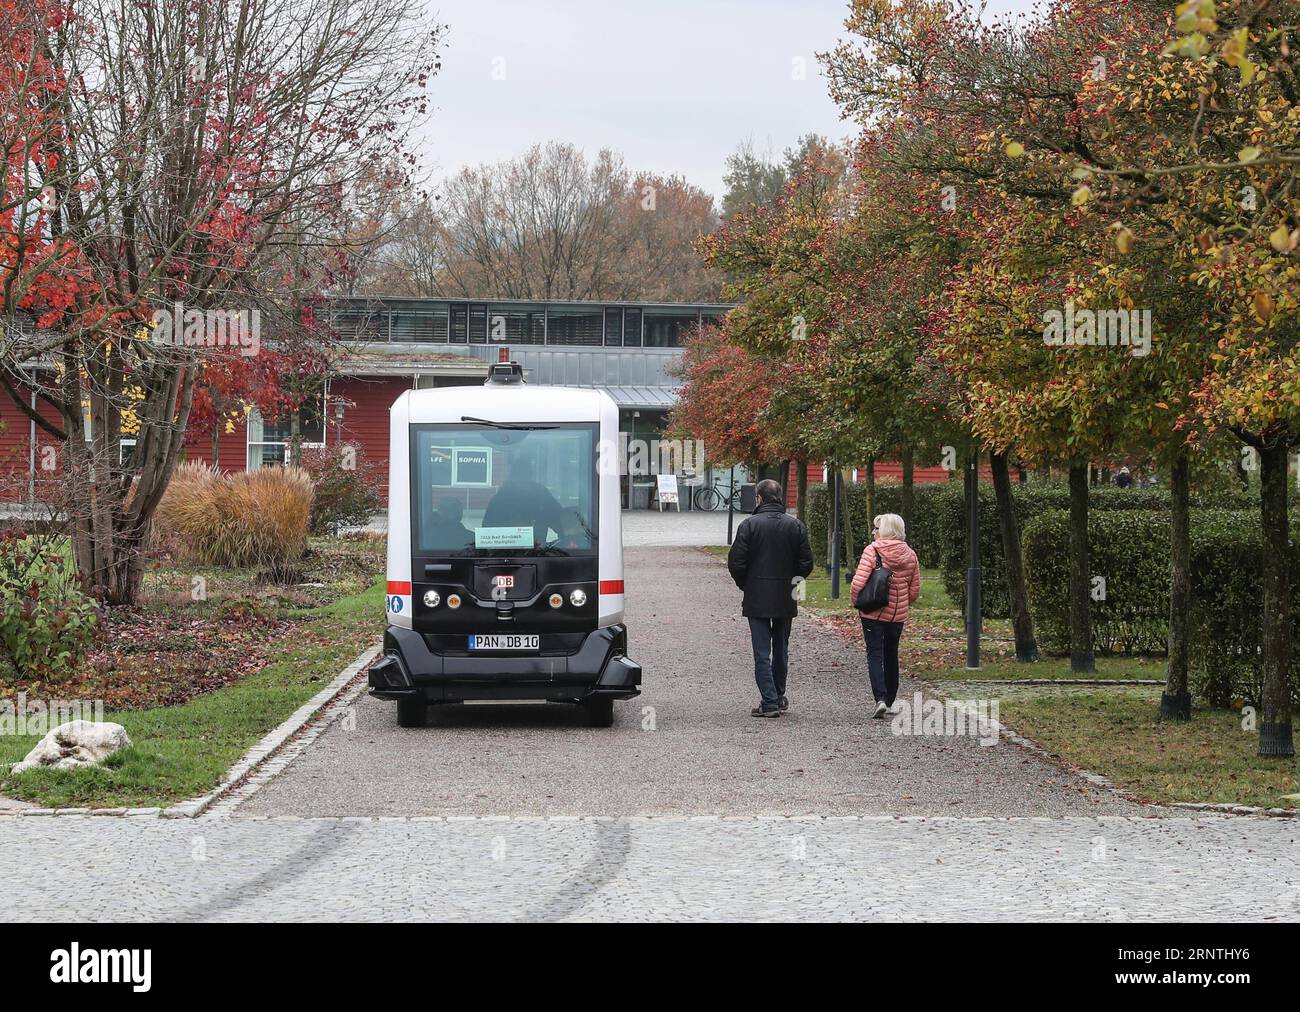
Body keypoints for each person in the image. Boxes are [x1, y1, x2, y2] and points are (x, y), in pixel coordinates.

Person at [727, 479, 814, 718]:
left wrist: (746, 584)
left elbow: (736, 561)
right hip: (786, 594)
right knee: (782, 648)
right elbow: (806, 562)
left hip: (757, 595)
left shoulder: (749, 525)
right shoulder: (795, 526)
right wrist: (794, 581)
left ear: (759, 498)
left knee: (761, 650)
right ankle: (778, 694)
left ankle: (770, 700)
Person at [850, 513, 921, 719]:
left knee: (875, 654)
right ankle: (890, 700)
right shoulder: (910, 554)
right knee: (891, 654)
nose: (874, 532)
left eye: (877, 529)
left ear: (885, 531)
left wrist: (856, 600)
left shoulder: (873, 550)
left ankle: (879, 698)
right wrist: (902, 602)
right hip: (897, 616)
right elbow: (914, 590)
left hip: (873, 612)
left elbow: (858, 582)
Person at [481, 457, 566, 546]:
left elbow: (563, 523)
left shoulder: (541, 495)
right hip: (504, 554)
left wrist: (565, 544)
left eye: (525, 473)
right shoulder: (500, 498)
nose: (522, 477)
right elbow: (487, 534)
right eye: (519, 474)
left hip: (537, 555)